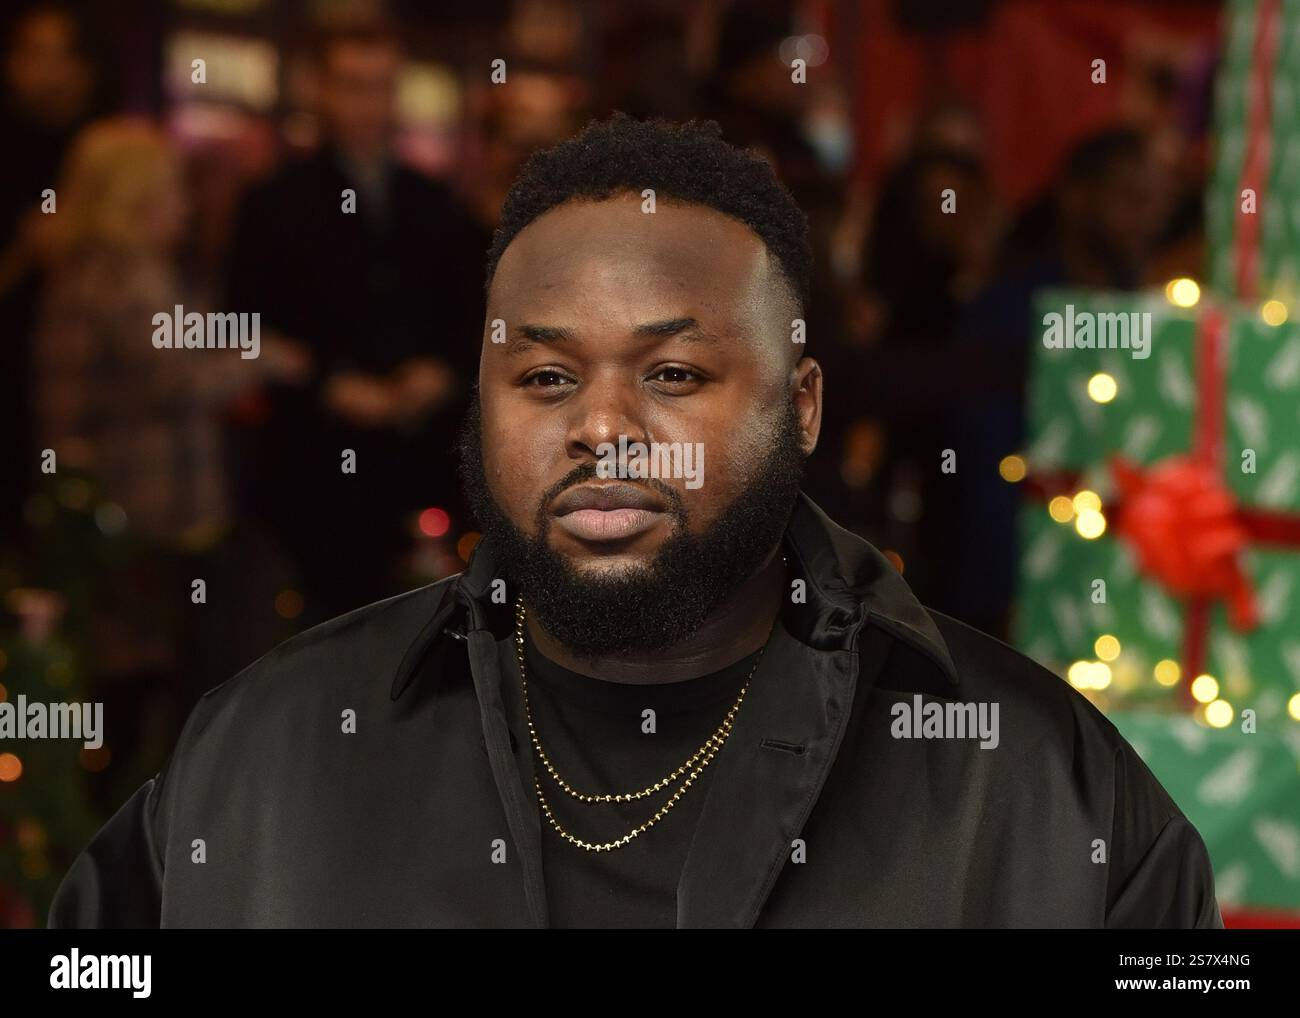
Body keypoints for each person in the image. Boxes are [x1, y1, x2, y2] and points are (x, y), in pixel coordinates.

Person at [48, 114, 1221, 929]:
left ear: (799, 405)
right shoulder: (265, 749)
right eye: (546, 379)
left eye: (672, 375)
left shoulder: (1040, 785)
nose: (602, 430)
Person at [224, 22, 483, 625]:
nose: (370, 104)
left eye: (383, 86)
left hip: (422, 461)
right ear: (321, 90)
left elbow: (475, 315)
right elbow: (243, 328)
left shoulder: (435, 201)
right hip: (314, 470)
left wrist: (441, 371)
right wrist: (328, 384)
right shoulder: (273, 203)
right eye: (354, 86)